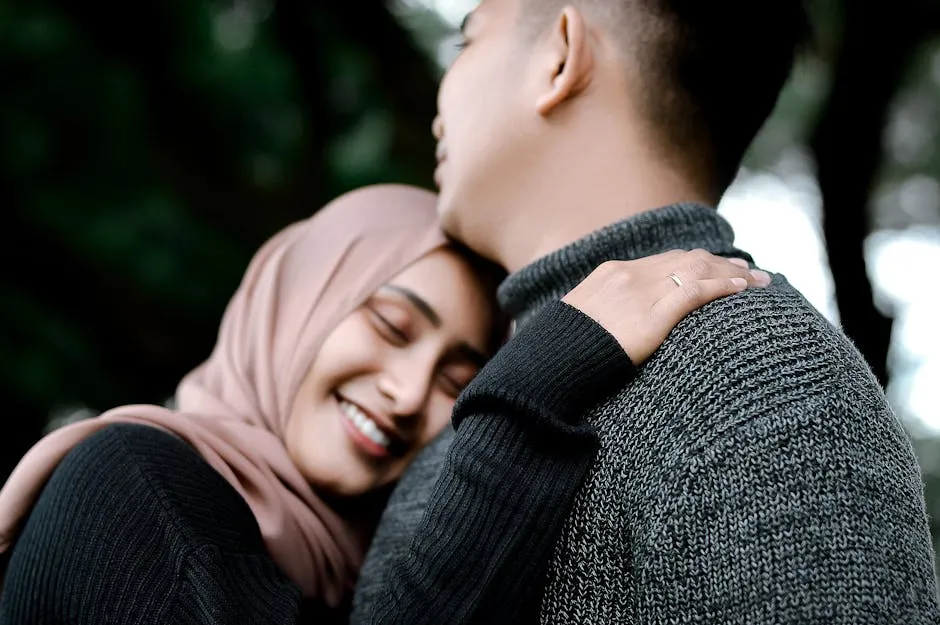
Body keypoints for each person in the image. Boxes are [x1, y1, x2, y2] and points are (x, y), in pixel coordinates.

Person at [352, 1, 940, 624]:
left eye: (468, 40)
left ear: (559, 55)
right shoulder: (487, 387)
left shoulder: (753, 370)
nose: (443, 92)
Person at [0, 184, 762, 624]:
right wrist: (549, 371)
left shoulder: (363, 561)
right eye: (390, 324)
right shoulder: (134, 490)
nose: (404, 395)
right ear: (293, 305)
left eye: (455, 381)